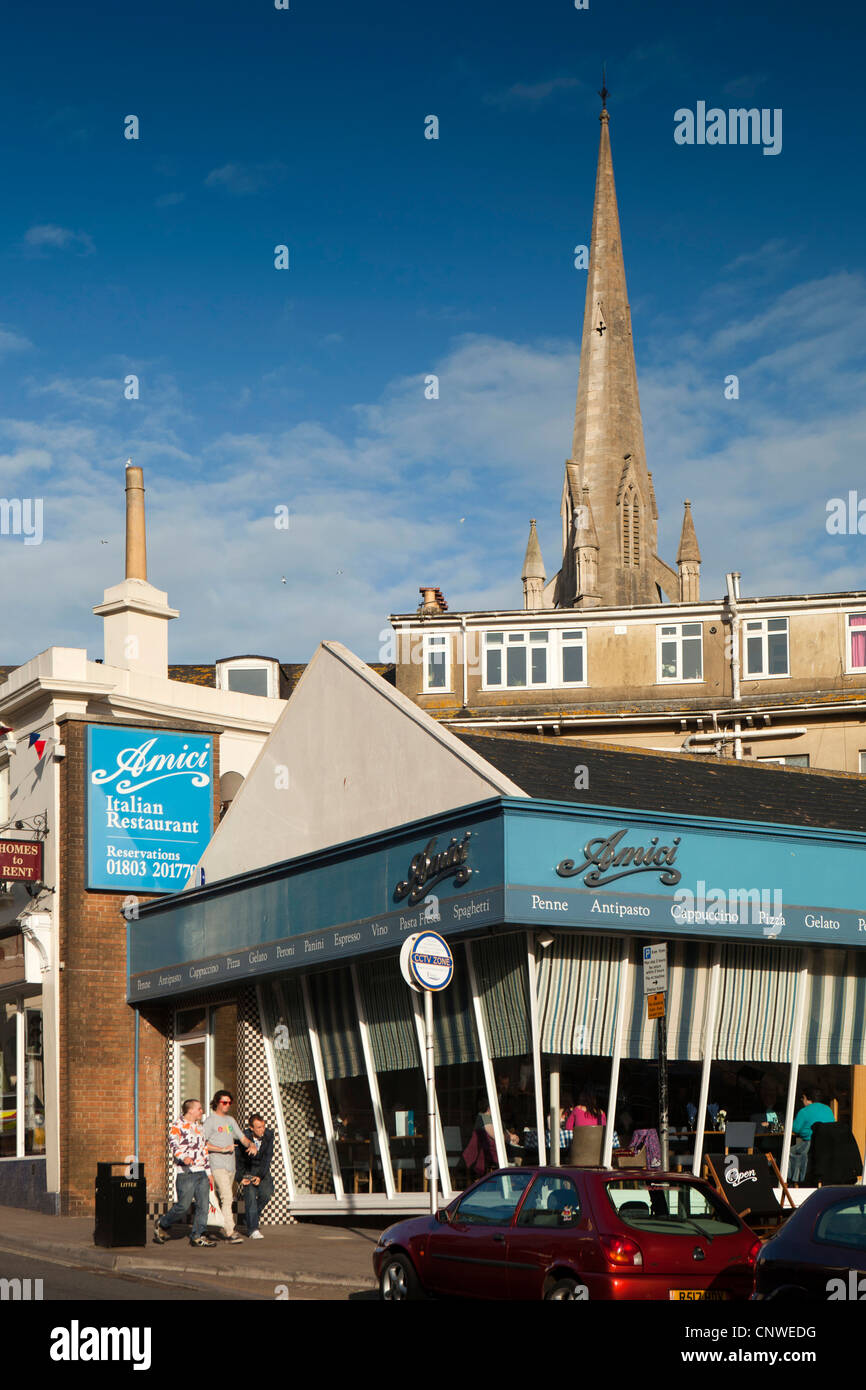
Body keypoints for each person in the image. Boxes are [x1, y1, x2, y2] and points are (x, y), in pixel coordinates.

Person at [153, 1098, 215, 1248]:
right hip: (186, 1173)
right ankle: (162, 1223)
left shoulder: (199, 1127)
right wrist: (183, 1157)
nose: (202, 1111)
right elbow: (174, 1145)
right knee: (183, 1206)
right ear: (190, 1110)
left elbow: (204, 1150)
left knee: (203, 1206)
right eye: (199, 1109)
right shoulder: (177, 1125)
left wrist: (209, 1172)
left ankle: (198, 1235)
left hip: (201, 1173)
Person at [203, 1090, 255, 1243]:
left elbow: (242, 1137)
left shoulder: (230, 1120)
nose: (227, 1105)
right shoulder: (210, 1121)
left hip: (230, 1166)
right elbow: (202, 1144)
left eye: (229, 1103)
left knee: (225, 1197)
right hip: (217, 1164)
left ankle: (213, 1224)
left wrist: (251, 1144)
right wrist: (222, 1149)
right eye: (224, 1102)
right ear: (217, 1103)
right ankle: (230, 1231)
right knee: (226, 1197)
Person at [237, 1112, 274, 1239]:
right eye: (258, 1127)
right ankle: (253, 1229)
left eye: (263, 1126)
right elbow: (238, 1160)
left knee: (266, 1194)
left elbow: (267, 1157)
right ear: (251, 1128)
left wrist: (260, 1176)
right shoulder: (244, 1137)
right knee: (251, 1199)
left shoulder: (269, 1135)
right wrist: (240, 1177)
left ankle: (250, 1218)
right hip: (248, 1169)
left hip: (262, 1169)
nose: (262, 1130)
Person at [788, 1085, 836, 1184]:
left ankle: (794, 1181)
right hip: (829, 1145)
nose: (802, 1100)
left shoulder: (804, 1111)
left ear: (808, 1099)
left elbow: (795, 1128)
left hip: (811, 1144)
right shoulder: (827, 1109)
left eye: (803, 1098)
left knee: (787, 1153)